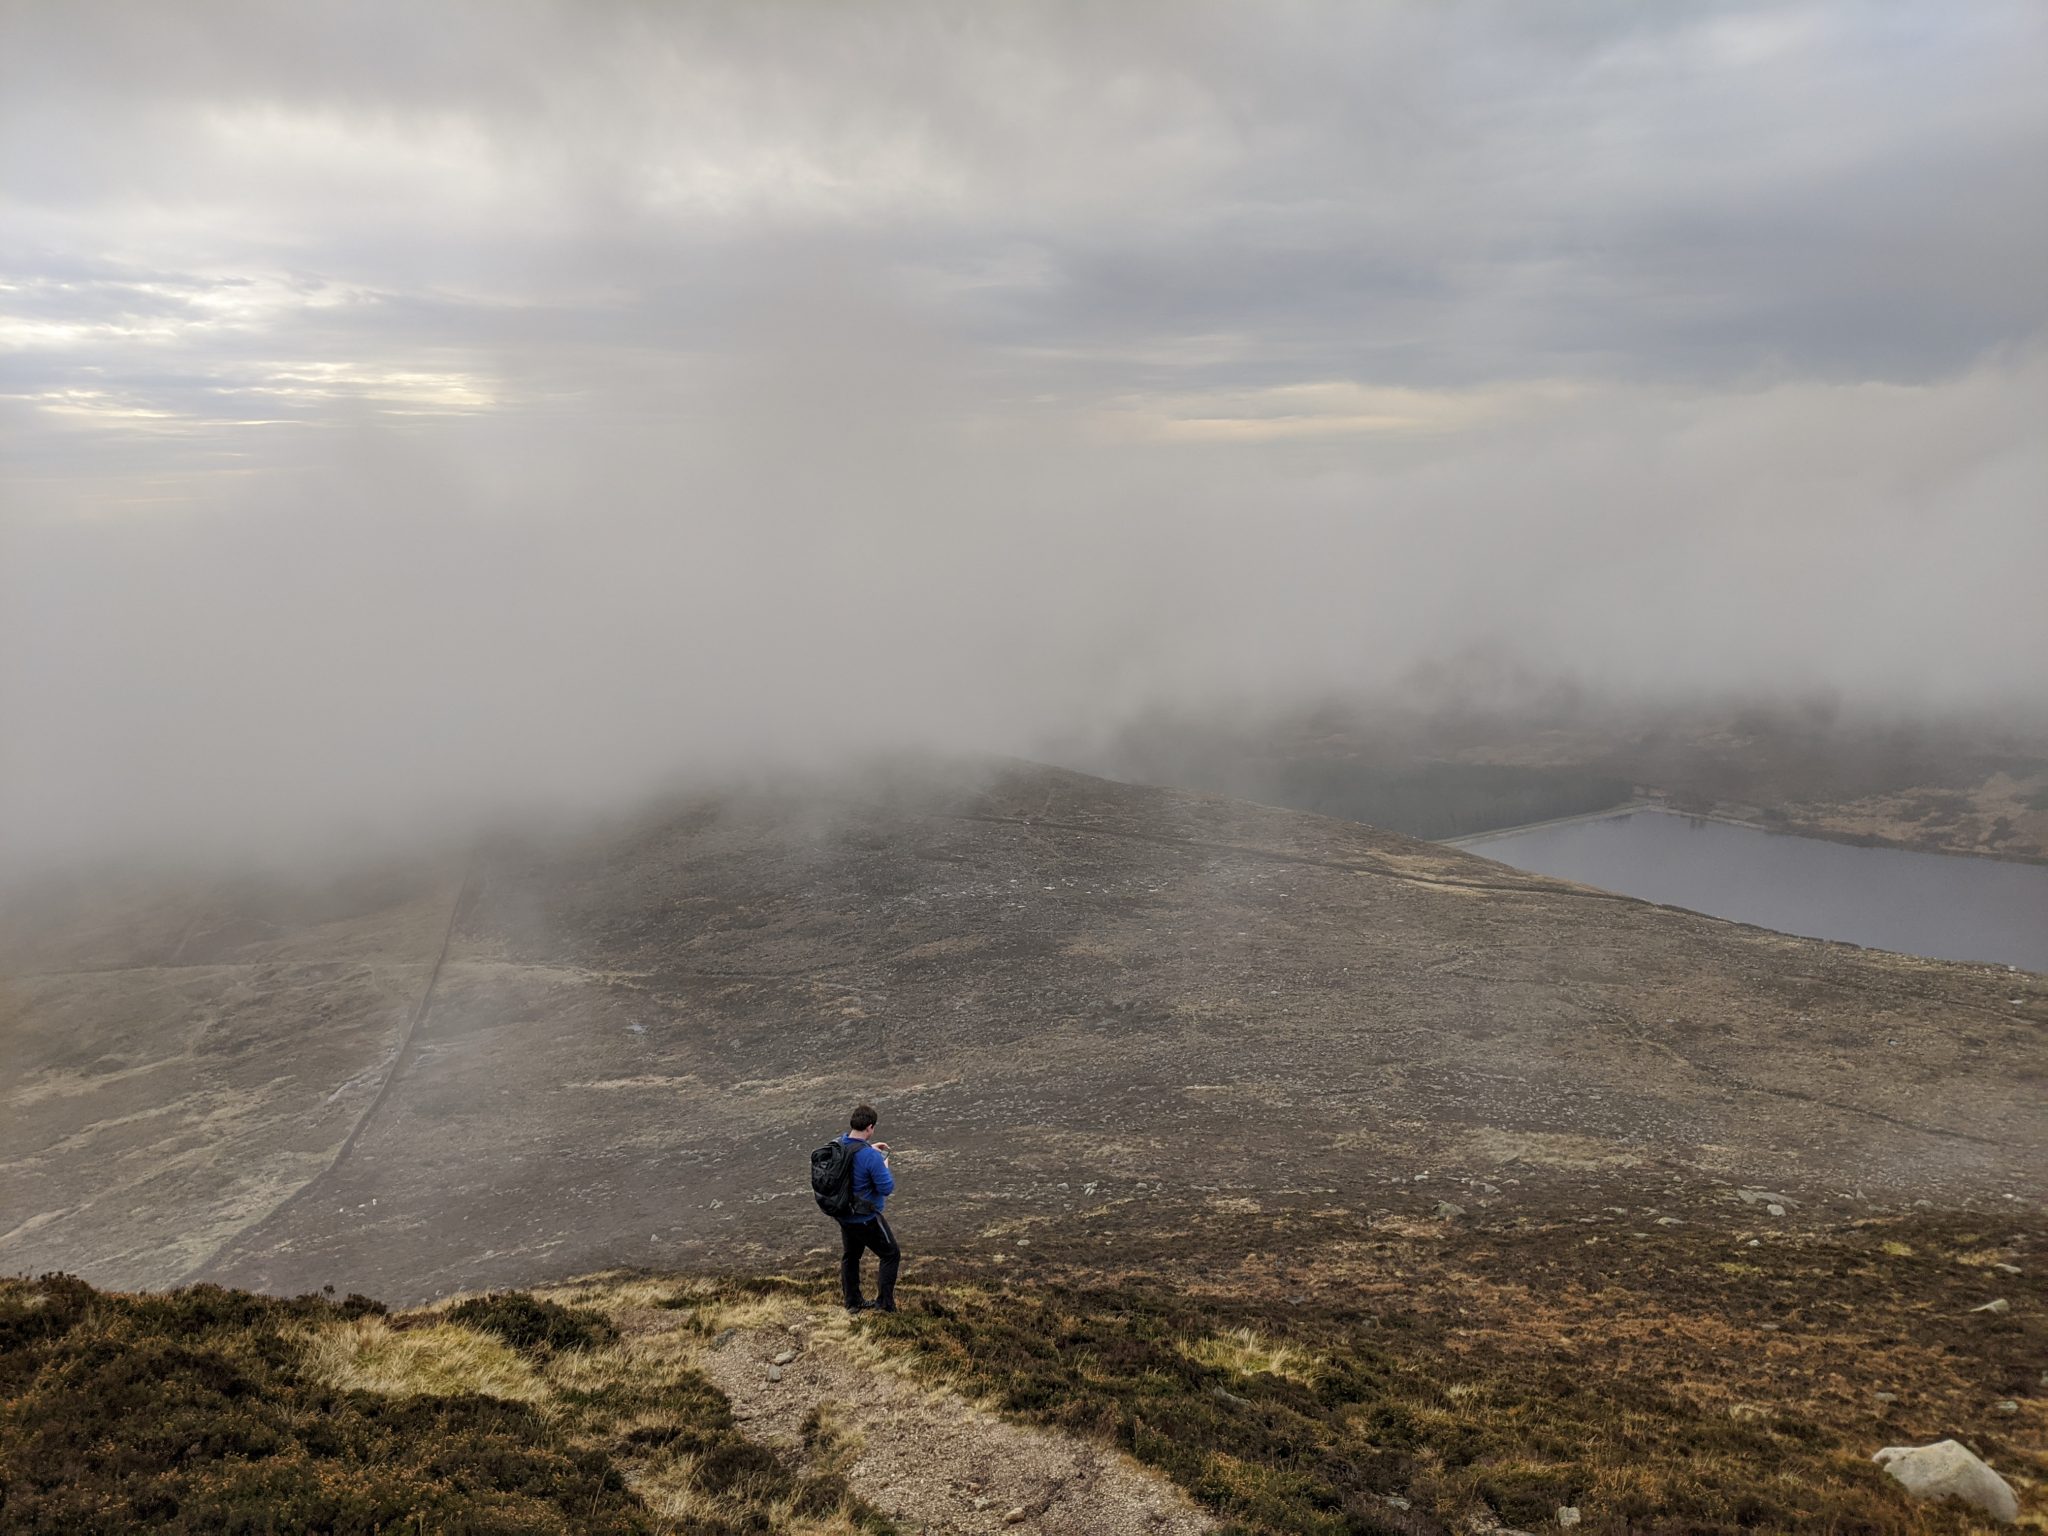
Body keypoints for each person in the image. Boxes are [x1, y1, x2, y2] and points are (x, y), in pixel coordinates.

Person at [835, 1104, 900, 1314]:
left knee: (851, 1256)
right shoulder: (871, 1157)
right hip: (865, 1216)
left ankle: (852, 1302)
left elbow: (853, 1160)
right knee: (891, 1254)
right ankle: (885, 1305)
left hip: (844, 1214)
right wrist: (884, 1165)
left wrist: (870, 1149)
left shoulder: (839, 1145)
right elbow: (886, 1188)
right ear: (870, 1127)